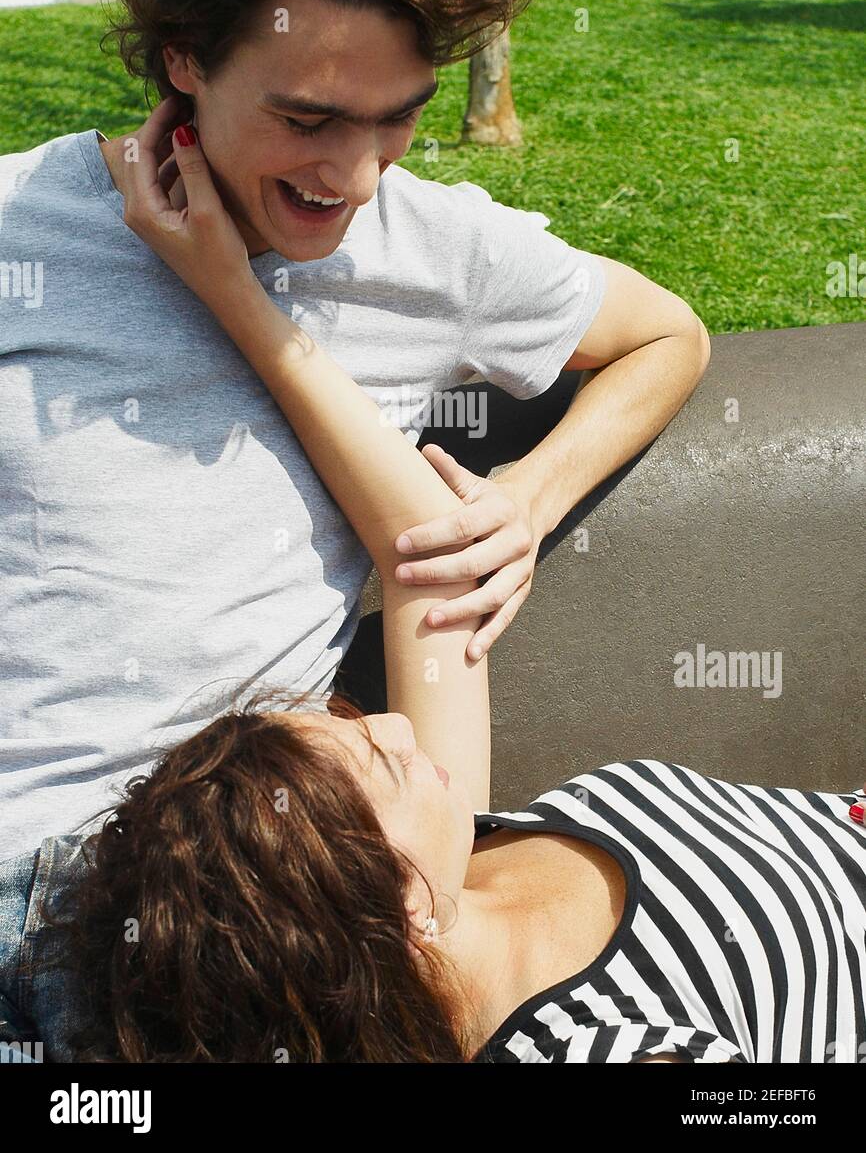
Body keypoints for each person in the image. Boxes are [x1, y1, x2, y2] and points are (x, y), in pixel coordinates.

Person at [2, 127, 864, 1065]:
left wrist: (234, 295)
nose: (400, 723)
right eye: (384, 756)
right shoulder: (585, 1034)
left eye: (353, 719)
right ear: (401, 901)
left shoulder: (441, 865)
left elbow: (432, 561)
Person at [0, 0, 711, 868]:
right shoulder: (21, 226)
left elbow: (669, 335)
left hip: (253, 907)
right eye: (307, 117)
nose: (357, 176)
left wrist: (526, 496)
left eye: (398, 119)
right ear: (183, 54)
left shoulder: (434, 248)